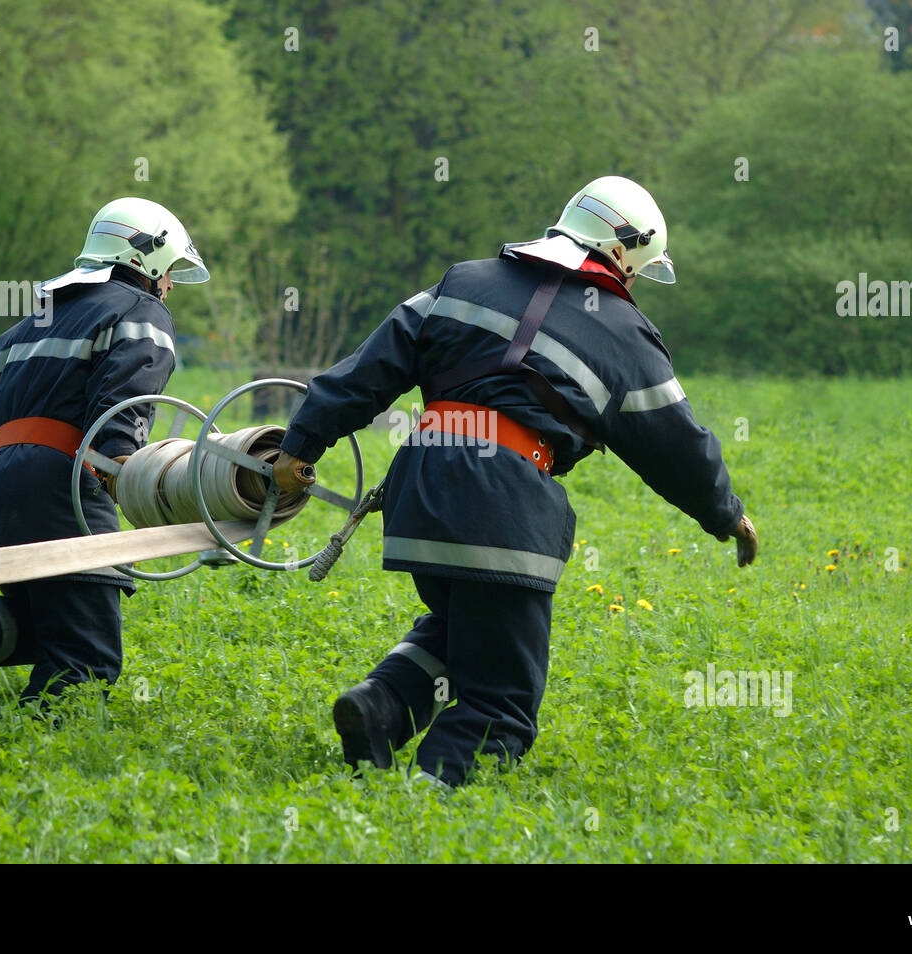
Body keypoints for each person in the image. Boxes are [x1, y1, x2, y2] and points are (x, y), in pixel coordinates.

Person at [272, 176, 757, 786]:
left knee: (471, 626)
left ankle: (382, 706)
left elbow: (369, 370)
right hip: (501, 497)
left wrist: (301, 442)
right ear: (623, 256)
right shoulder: (625, 332)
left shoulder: (463, 280)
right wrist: (725, 513)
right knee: (502, 694)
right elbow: (676, 444)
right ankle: (432, 801)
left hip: (420, 486)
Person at [0, 197, 210, 706]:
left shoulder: (30, 324)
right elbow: (127, 397)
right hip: (63, 481)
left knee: (47, 611)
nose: (169, 287)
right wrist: (120, 468)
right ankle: (41, 740)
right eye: (169, 273)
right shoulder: (143, 312)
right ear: (146, 258)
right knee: (86, 655)